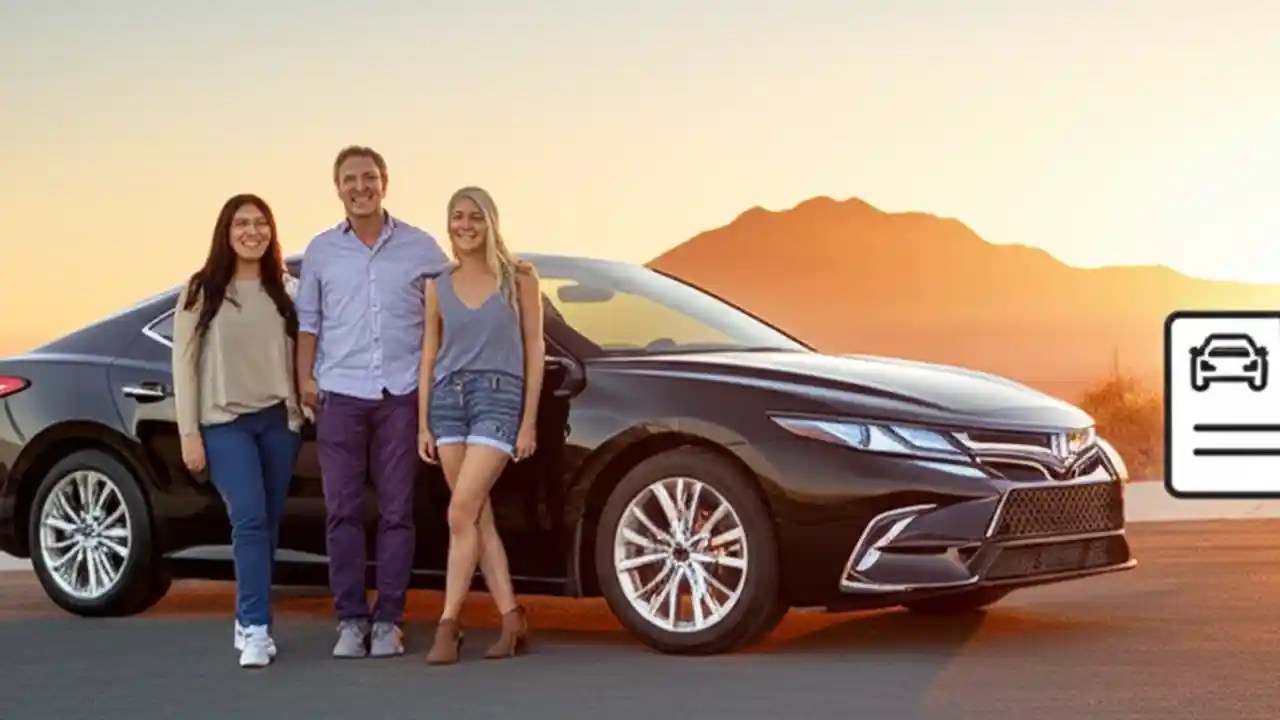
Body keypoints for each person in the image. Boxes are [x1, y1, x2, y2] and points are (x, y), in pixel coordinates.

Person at [294, 145, 451, 659]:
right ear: (337, 188)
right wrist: (305, 384)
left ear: (385, 182)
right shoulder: (321, 251)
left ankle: (389, 620)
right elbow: (309, 323)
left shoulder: (420, 247)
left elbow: (452, 307)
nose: (360, 187)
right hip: (340, 395)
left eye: (368, 177)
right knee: (341, 512)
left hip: (401, 396)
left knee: (396, 512)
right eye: (349, 180)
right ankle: (349, 620)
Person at [172, 193, 304, 669]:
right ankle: (254, 627)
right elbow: (183, 365)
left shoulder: (286, 289)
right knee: (247, 520)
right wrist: (189, 433)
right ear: (226, 233)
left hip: (278, 423)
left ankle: (251, 617)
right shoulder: (201, 289)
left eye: (261, 223)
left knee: (265, 526)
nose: (253, 231)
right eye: (242, 223)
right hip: (224, 424)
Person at [419, 186, 545, 665]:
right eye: (456, 216)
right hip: (448, 401)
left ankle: (448, 625)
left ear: (490, 221)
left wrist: (528, 420)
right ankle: (512, 618)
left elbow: (535, 348)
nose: (464, 225)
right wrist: (422, 425)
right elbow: (429, 356)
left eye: (474, 216)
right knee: (477, 517)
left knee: (460, 512)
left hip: (499, 397)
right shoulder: (438, 285)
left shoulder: (520, 279)